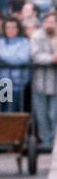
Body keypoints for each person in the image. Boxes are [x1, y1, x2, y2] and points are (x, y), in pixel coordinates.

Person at [31, 10, 57, 149]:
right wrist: (51, 59)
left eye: (53, 22)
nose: (50, 25)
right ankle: (46, 142)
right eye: (47, 22)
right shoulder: (37, 36)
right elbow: (35, 55)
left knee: (54, 114)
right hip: (40, 82)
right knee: (41, 115)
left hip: (54, 83)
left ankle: (54, 142)